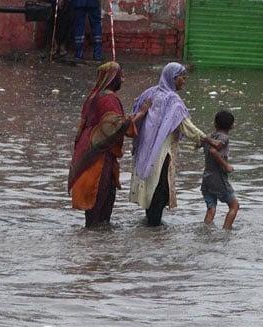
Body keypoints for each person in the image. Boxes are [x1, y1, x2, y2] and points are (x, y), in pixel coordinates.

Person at [130, 62, 222, 226]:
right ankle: (154, 228)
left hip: (145, 151)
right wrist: (208, 140)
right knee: (162, 189)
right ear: (173, 78)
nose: (184, 81)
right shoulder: (173, 101)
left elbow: (135, 113)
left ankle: (149, 223)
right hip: (162, 152)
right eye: (182, 77)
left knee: (152, 185)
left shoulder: (149, 93)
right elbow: (186, 126)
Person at [68, 61, 150, 227]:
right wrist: (141, 113)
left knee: (98, 200)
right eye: (121, 76)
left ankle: (99, 242)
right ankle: (96, 241)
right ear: (113, 78)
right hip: (100, 154)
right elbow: (117, 126)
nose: (123, 80)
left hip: (88, 149)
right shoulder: (108, 99)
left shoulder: (93, 96)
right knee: (99, 198)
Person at [201, 110, 239, 230]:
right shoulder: (224, 138)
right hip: (218, 179)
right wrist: (226, 165)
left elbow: (201, 144)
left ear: (215, 124)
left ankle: (206, 232)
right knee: (234, 206)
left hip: (206, 179)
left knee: (211, 209)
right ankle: (226, 231)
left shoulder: (210, 137)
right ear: (232, 125)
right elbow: (213, 151)